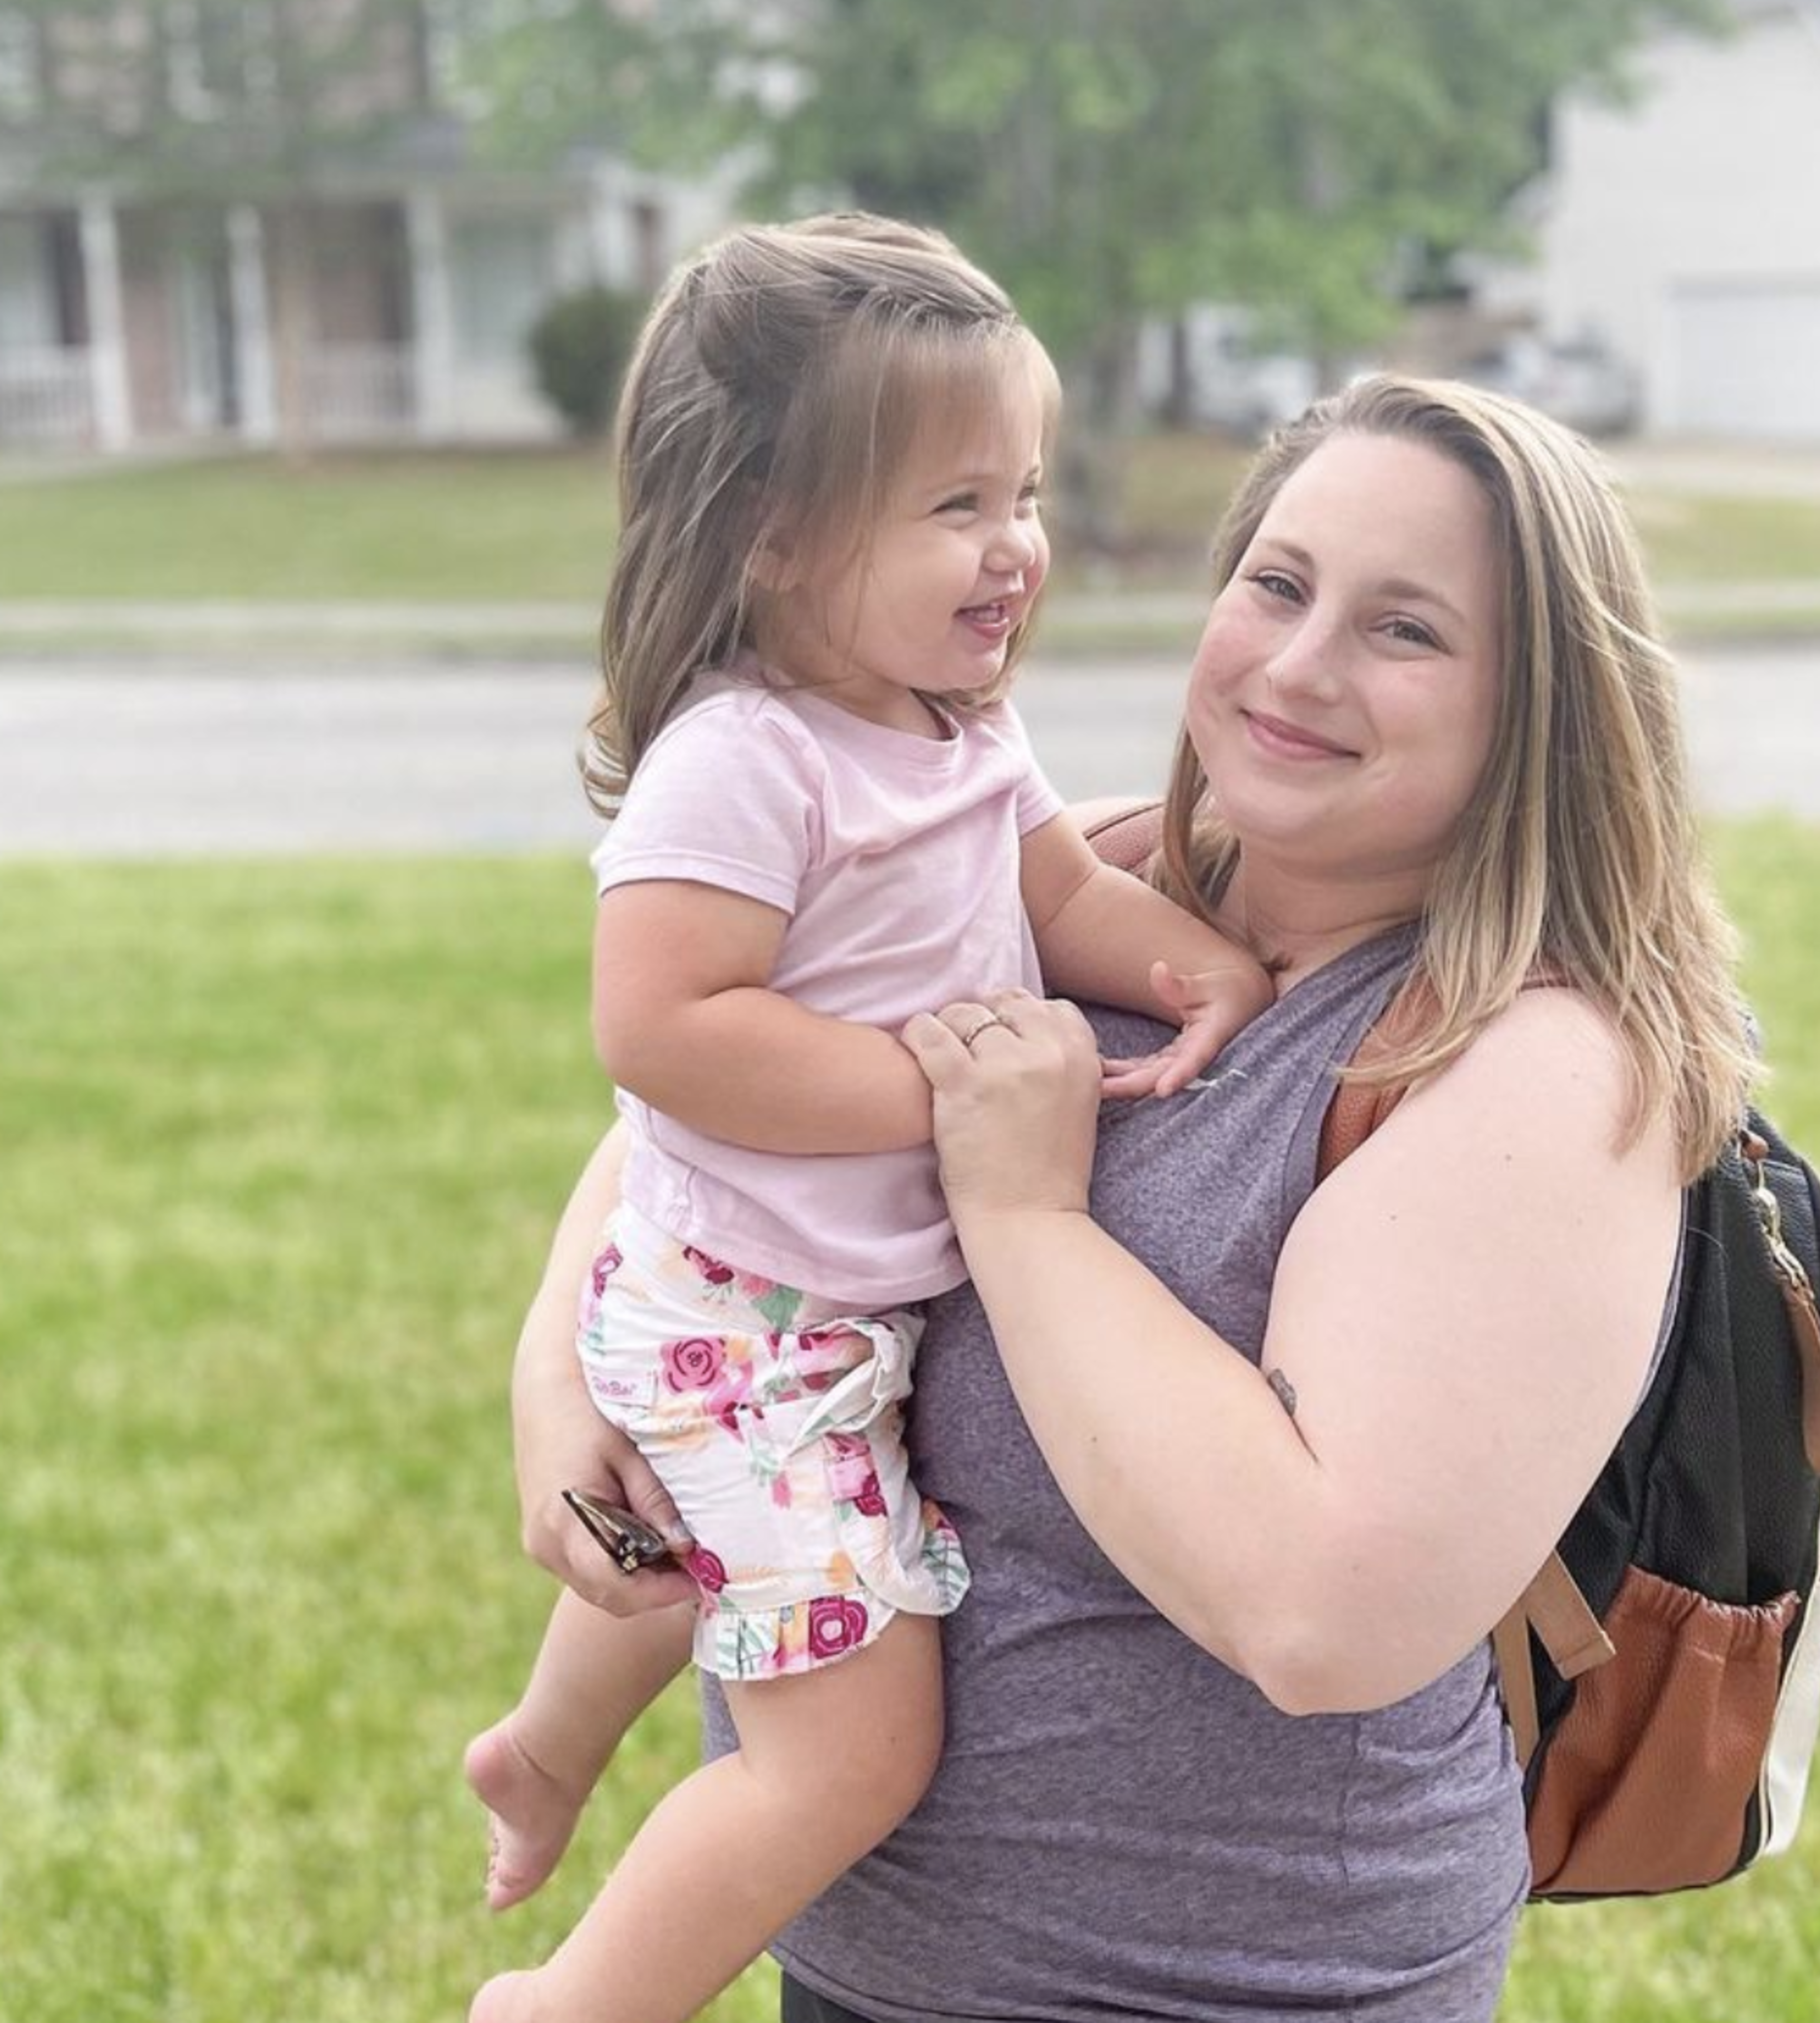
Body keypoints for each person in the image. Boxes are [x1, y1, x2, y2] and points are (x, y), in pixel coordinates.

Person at [500, 370, 1759, 2022]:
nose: (1300, 667)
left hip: (1227, 1984)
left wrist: (1026, 1217)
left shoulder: (1539, 1067)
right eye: (1279, 585)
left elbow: (1328, 1612)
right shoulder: (1088, 883)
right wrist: (558, 1393)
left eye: (1406, 630)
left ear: (1542, 708)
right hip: (872, 1969)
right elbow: (696, 1118)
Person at [463, 212, 1274, 2023]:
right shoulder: (744, 759)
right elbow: (663, 1023)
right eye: (955, 506)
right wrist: (945, 1081)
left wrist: (1190, 959)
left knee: (696, 1554)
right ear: (769, 536)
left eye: (1029, 493)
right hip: (749, 1323)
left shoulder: (961, 722)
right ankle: (570, 2003)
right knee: (847, 1752)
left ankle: (538, 1744)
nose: (1019, 551)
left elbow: (1061, 893)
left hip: (816, 1304)